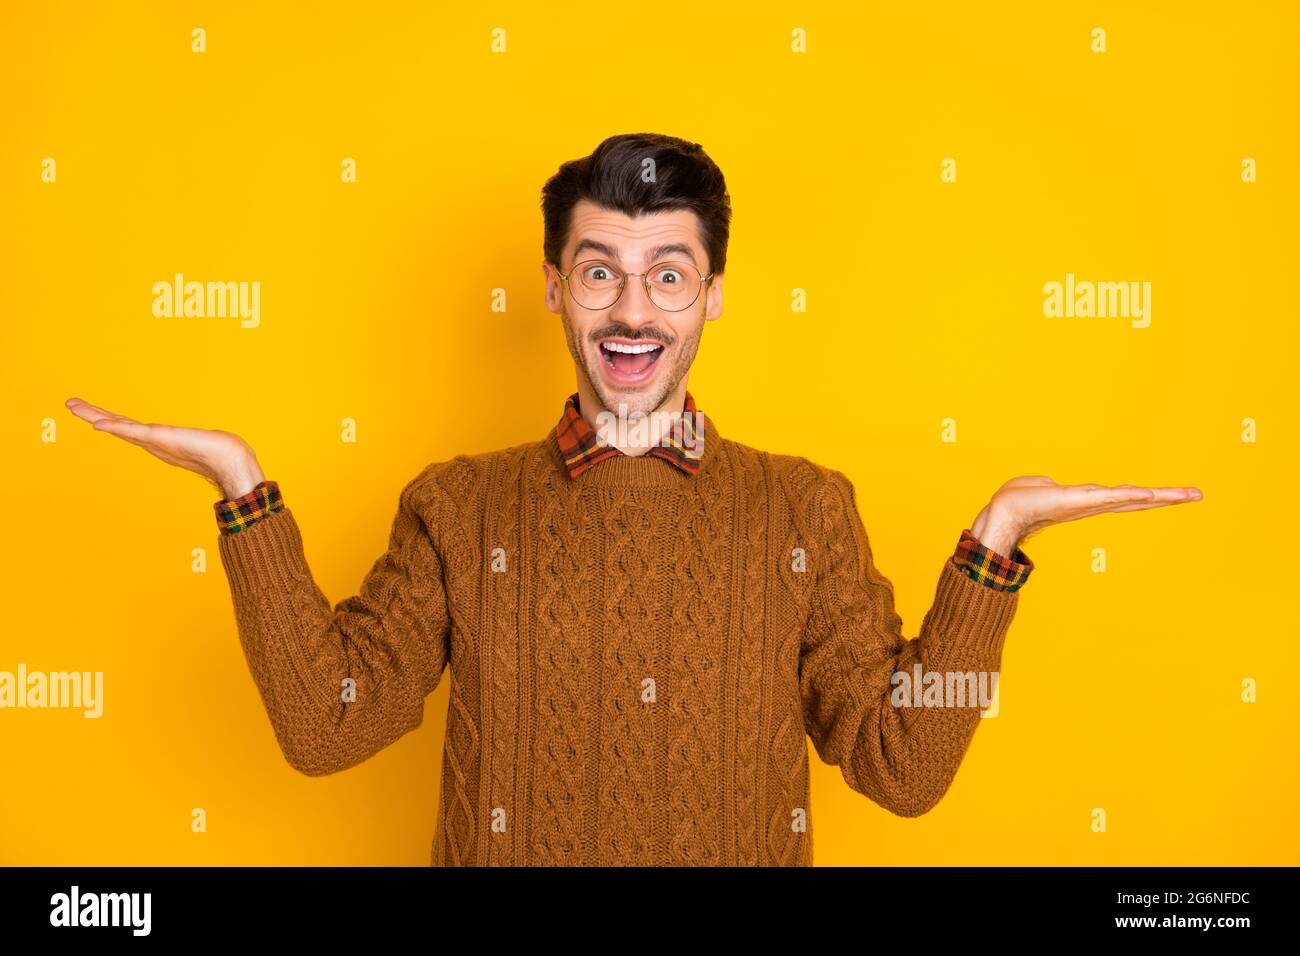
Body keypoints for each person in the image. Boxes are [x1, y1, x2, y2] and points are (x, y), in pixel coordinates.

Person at [66, 131, 1202, 866]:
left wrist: (992, 551)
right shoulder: (461, 506)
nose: (632, 308)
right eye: (600, 268)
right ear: (555, 284)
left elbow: (899, 769)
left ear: (712, 296)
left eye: (668, 273)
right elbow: (327, 726)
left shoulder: (802, 508)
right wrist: (242, 490)